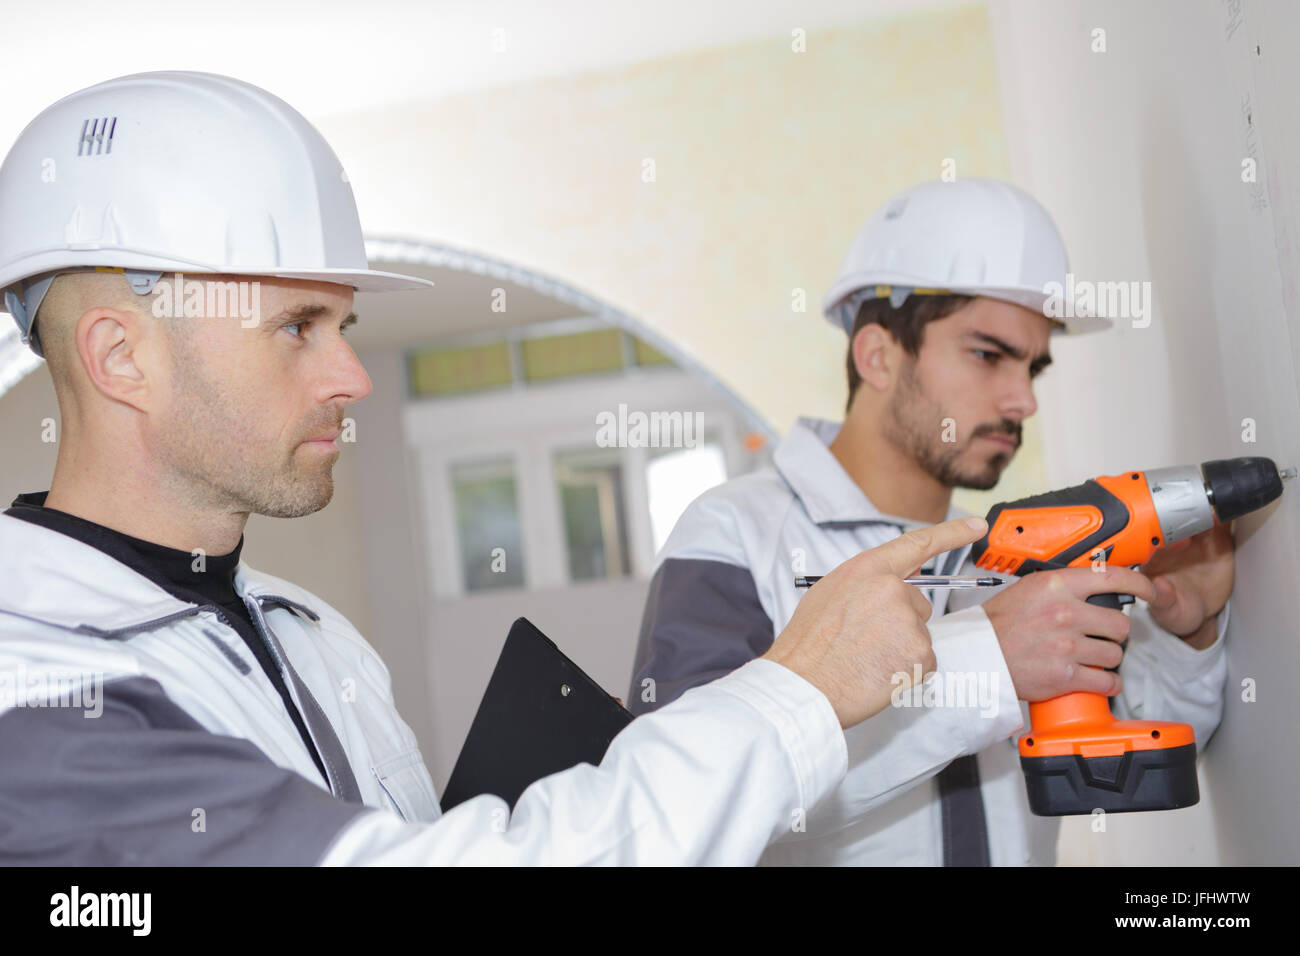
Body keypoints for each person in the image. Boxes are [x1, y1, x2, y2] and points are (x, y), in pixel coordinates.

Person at [0, 71, 988, 866]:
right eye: (296, 327)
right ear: (120, 355)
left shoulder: (319, 640)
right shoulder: (33, 682)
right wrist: (797, 685)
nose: (351, 376)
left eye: (343, 325)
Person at [627, 178, 1235, 866]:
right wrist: (984, 664)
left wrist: (1191, 635)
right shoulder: (736, 533)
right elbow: (694, 797)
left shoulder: (1012, 555)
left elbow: (1127, 745)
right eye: (988, 354)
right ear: (878, 356)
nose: (1022, 400)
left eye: (1033, 367)